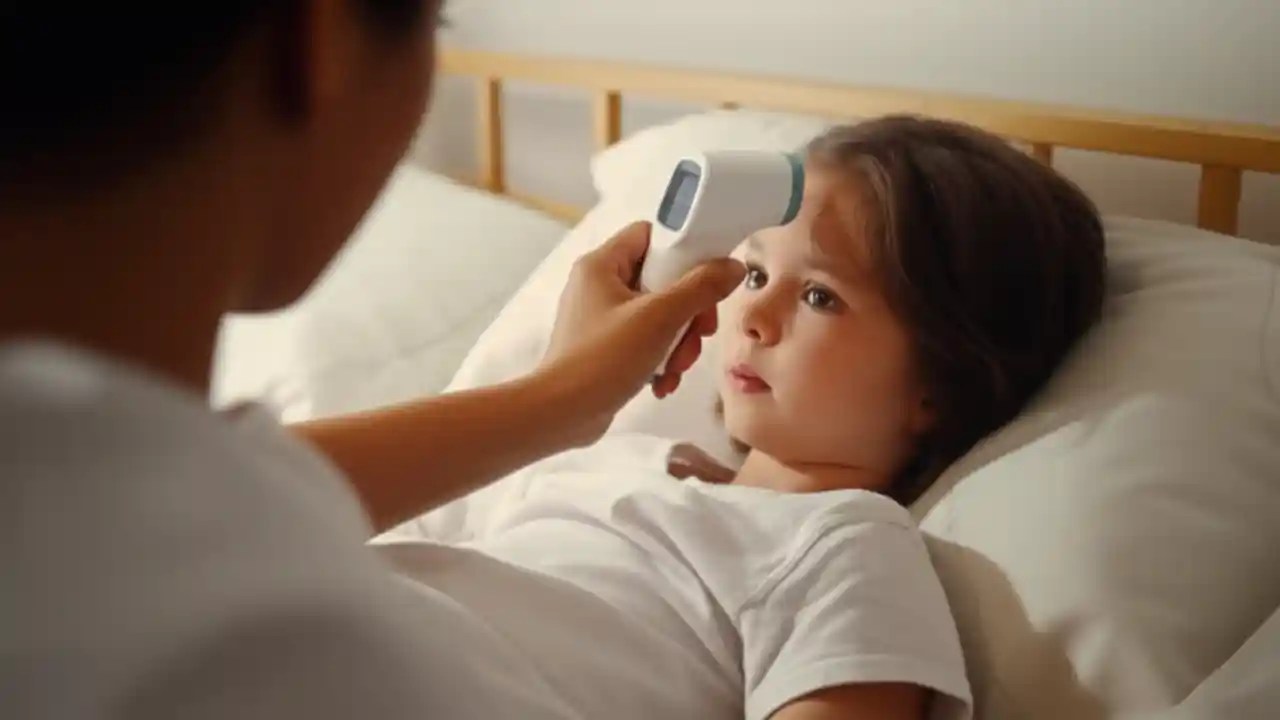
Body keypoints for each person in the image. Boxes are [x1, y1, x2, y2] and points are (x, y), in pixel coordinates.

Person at [1, 2, 743, 718]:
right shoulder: (291, 663)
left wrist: (558, 401)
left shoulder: (83, 520)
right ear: (321, 37)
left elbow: (223, 487)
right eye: (436, 20)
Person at [380, 118, 1107, 720]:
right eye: (755, 272)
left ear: (939, 387)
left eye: (819, 296)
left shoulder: (844, 547)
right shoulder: (610, 455)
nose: (751, 312)